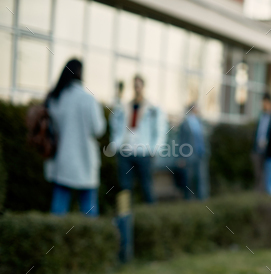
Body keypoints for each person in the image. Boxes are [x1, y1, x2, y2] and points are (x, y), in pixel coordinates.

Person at [44, 58, 106, 217]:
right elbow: (98, 129)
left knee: (59, 206)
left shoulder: (56, 98)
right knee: (88, 207)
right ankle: (91, 240)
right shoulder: (88, 99)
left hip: (62, 159)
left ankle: (53, 241)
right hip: (85, 159)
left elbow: (52, 128)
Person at [109, 75, 167, 204]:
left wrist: (155, 149)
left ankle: (150, 216)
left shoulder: (152, 108)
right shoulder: (125, 107)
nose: (137, 89)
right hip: (126, 151)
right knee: (124, 188)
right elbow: (116, 126)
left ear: (143, 87)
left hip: (144, 153)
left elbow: (159, 130)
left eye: (139, 86)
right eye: (135, 86)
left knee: (146, 186)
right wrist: (116, 145)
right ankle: (124, 217)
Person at [177, 103, 209, 200]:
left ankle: (202, 199)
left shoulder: (200, 122)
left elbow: (204, 139)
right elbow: (181, 141)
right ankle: (189, 199)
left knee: (202, 178)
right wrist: (181, 157)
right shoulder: (185, 124)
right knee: (189, 178)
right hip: (189, 155)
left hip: (201, 154)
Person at [252, 92, 271, 193]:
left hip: (268, 151)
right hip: (257, 149)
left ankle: (265, 197)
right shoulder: (262, 116)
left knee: (267, 176)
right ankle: (259, 194)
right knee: (258, 174)